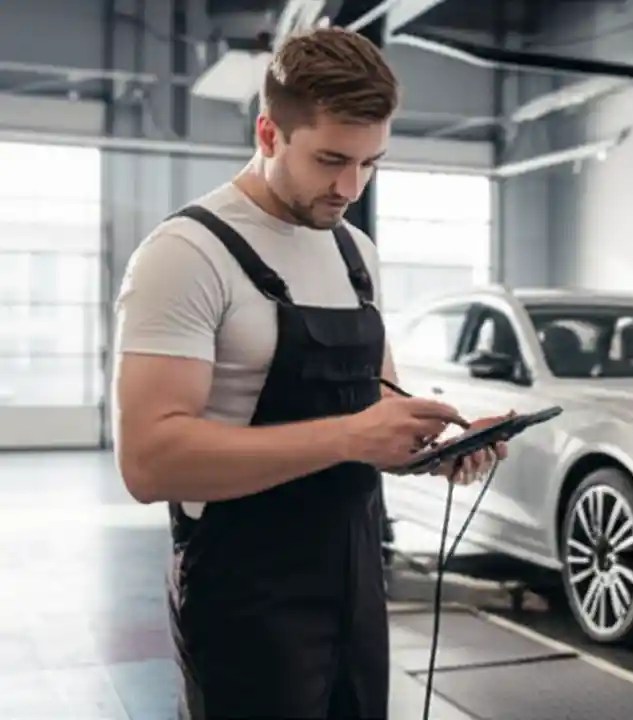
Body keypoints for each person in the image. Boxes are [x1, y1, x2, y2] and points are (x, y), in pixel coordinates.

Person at [111, 26, 509, 719]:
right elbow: (150, 462)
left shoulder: (356, 252)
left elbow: (378, 399)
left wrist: (439, 443)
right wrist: (352, 437)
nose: (350, 187)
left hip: (355, 579)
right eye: (331, 160)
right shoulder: (186, 256)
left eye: (370, 163)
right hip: (243, 593)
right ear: (268, 132)